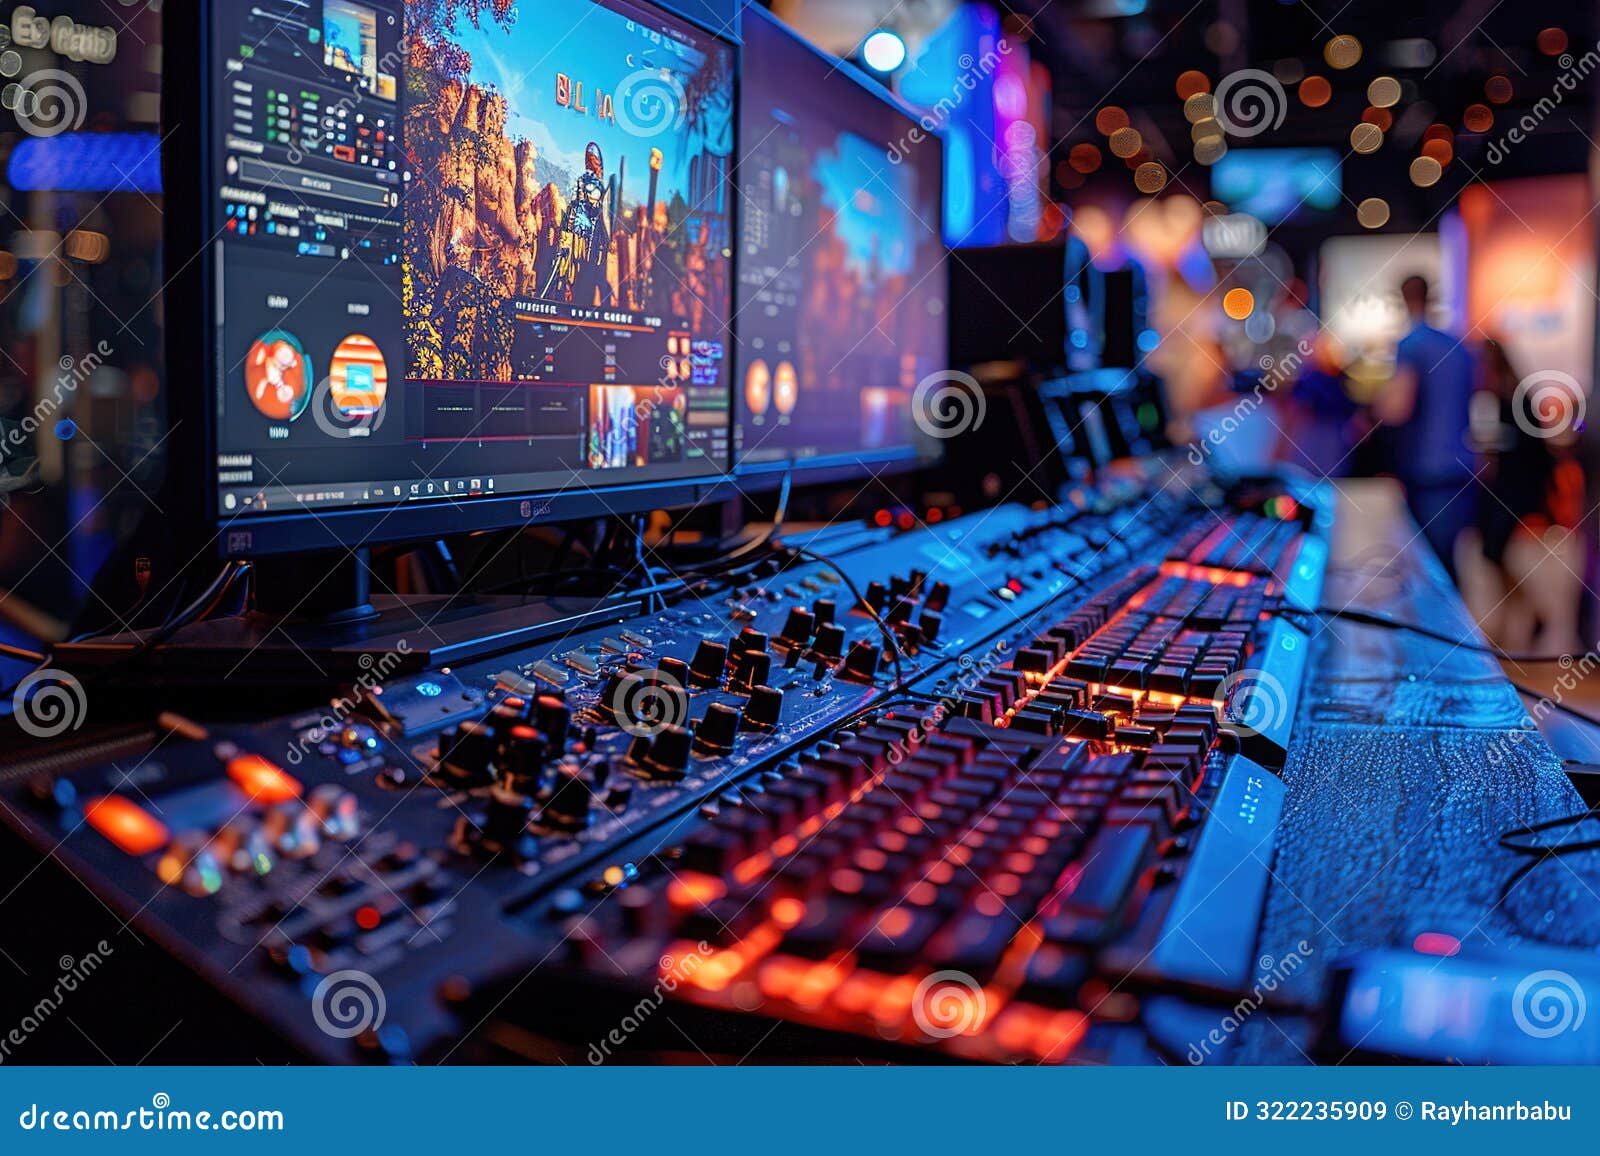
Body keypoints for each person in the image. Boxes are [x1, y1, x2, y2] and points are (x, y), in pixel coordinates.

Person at [1373, 275, 1478, 581]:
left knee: (1430, 569)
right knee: (1450, 562)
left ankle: (1447, 629)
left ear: (1402, 299)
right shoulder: (1458, 345)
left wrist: (1373, 406)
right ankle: (1459, 628)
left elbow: (1396, 409)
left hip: (1427, 470)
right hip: (1460, 467)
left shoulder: (1412, 345)